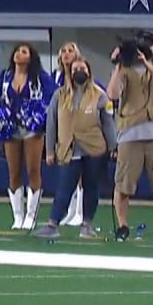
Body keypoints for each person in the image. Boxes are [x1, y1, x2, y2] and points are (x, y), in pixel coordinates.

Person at [35, 57, 115, 240]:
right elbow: (51, 123)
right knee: (64, 187)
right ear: (69, 73)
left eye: (82, 68)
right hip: (69, 149)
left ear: (89, 72)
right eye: (75, 68)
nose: (79, 71)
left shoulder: (99, 95)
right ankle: (52, 224)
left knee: (91, 187)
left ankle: (87, 225)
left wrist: (113, 146)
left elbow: (108, 123)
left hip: (95, 149)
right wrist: (49, 151)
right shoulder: (59, 95)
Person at [107, 30, 153, 242]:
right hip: (129, 134)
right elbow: (112, 94)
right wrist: (119, 65)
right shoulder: (123, 69)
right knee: (124, 184)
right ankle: (123, 225)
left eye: (149, 45)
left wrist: (147, 64)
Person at [0, 43, 57, 231]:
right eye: (17, 51)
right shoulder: (5, 77)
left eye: (24, 52)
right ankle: (18, 216)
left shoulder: (40, 78)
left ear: (31, 58)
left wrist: (42, 113)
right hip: (11, 129)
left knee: (33, 170)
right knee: (14, 172)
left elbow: (56, 95)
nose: (18, 54)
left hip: (33, 129)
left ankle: (31, 215)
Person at [52, 41, 87, 227]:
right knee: (67, 171)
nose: (66, 54)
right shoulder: (56, 77)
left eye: (70, 50)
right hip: (64, 130)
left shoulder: (82, 74)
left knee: (81, 173)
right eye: (63, 51)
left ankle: (81, 212)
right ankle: (71, 211)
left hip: (82, 129)